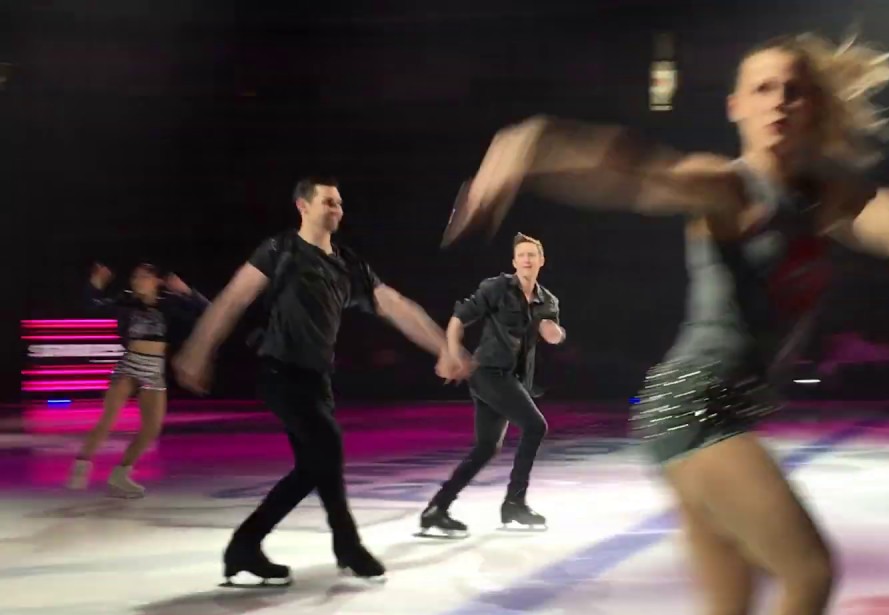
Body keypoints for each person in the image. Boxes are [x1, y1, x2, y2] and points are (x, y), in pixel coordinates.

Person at [444, 32, 889, 615]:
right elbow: (637, 171)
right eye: (764, 88)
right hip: (693, 405)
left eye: (795, 89)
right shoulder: (730, 184)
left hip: (717, 412)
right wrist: (536, 144)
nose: (780, 101)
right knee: (809, 572)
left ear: (814, 106)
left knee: (729, 613)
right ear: (737, 104)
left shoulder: (824, 197)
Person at [174, 177, 470, 585]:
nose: (337, 209)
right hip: (279, 372)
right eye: (328, 201)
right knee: (326, 449)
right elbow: (234, 298)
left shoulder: (348, 264)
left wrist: (445, 347)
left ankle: (245, 545)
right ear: (303, 206)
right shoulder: (280, 250)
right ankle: (346, 546)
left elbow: (397, 306)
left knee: (315, 466)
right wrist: (198, 348)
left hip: (317, 380)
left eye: (340, 203)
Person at [418, 232, 564, 538]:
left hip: (511, 379)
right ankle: (515, 503)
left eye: (531, 255)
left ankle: (437, 509)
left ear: (541, 261)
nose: (526, 259)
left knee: (486, 448)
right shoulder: (498, 287)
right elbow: (459, 318)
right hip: (488, 373)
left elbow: (553, 329)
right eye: (521, 255)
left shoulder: (547, 300)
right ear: (514, 261)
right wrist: (452, 352)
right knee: (536, 426)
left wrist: (555, 333)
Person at [68, 262, 209, 497]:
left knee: (152, 428)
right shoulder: (126, 301)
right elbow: (91, 307)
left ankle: (120, 475)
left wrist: (187, 292)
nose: (137, 281)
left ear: (157, 281)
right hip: (130, 364)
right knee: (109, 418)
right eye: (135, 277)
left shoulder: (169, 303)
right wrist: (95, 283)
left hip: (154, 368)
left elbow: (207, 311)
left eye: (144, 277)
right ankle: (82, 463)